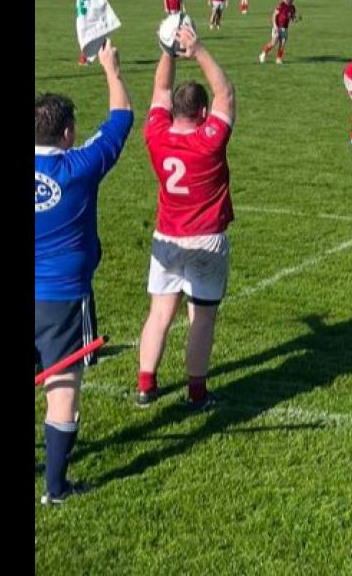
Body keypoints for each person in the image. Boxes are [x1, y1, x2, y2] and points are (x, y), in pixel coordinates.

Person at [35, 39, 133, 505]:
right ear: (70, 133)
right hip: (64, 299)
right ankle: (55, 489)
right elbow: (121, 120)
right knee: (63, 391)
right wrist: (111, 68)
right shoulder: (80, 166)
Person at [135, 24, 236, 412]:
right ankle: (196, 392)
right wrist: (198, 49)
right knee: (202, 319)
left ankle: (146, 385)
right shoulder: (210, 139)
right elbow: (226, 92)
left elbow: (160, 91)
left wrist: (168, 49)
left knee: (159, 312)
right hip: (206, 239)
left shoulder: (155, 133)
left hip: (166, 237)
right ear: (203, 112)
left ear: (174, 110)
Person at [259, 0, 300, 65]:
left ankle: (278, 59)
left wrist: (296, 19)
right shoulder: (281, 5)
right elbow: (274, 15)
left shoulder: (292, 7)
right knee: (273, 43)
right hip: (277, 27)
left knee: (282, 44)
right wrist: (275, 26)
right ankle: (263, 54)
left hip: (285, 28)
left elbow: (292, 19)